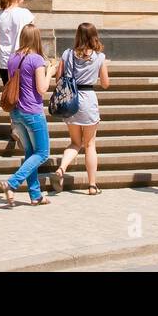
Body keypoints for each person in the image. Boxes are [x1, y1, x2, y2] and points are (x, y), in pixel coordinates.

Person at [49, 22, 110, 195]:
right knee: (90, 144)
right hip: (89, 100)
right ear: (94, 36)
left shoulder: (67, 54)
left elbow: (58, 79)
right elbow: (106, 83)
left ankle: (61, 169)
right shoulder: (99, 57)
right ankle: (92, 185)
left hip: (71, 100)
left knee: (75, 142)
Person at [3, 24, 57, 207]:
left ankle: (35, 195)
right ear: (37, 39)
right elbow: (42, 89)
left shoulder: (12, 58)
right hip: (32, 112)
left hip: (16, 112)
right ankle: (12, 183)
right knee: (42, 153)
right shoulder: (36, 60)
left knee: (30, 153)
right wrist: (50, 72)